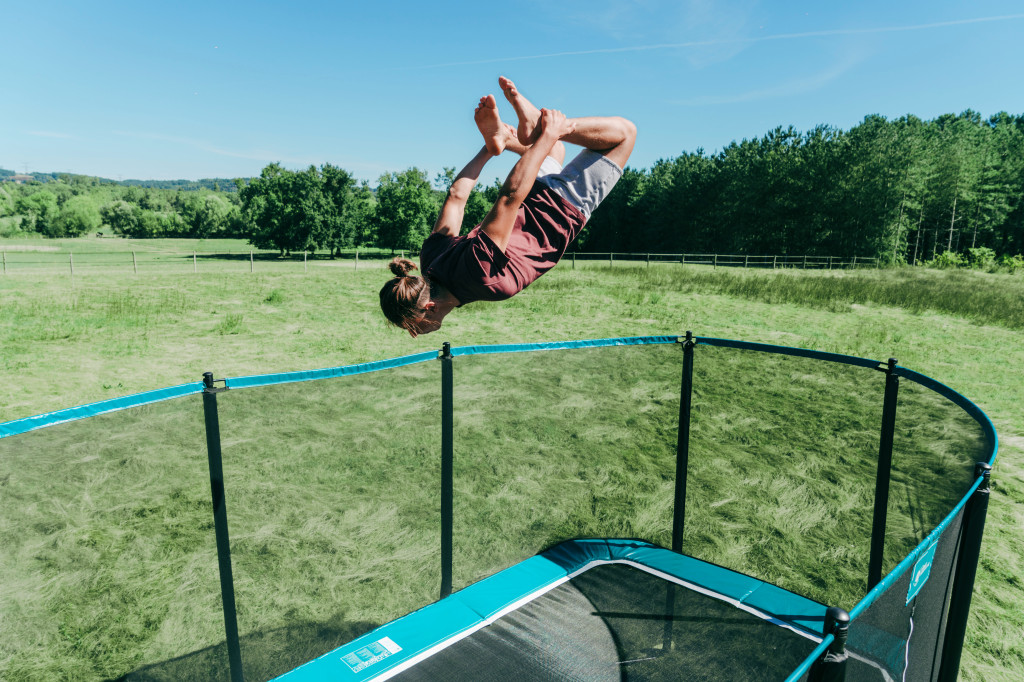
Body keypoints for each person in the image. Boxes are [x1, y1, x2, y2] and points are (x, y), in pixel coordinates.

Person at [379, 77, 636, 337]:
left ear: (430, 308)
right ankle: (503, 137)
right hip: (533, 186)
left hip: (562, 206)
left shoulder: (481, 277)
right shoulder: (431, 262)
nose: (412, 334)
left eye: (410, 327)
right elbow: (456, 196)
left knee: (625, 133)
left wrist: (550, 132)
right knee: (555, 151)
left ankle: (547, 125)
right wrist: (488, 151)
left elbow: (509, 198)